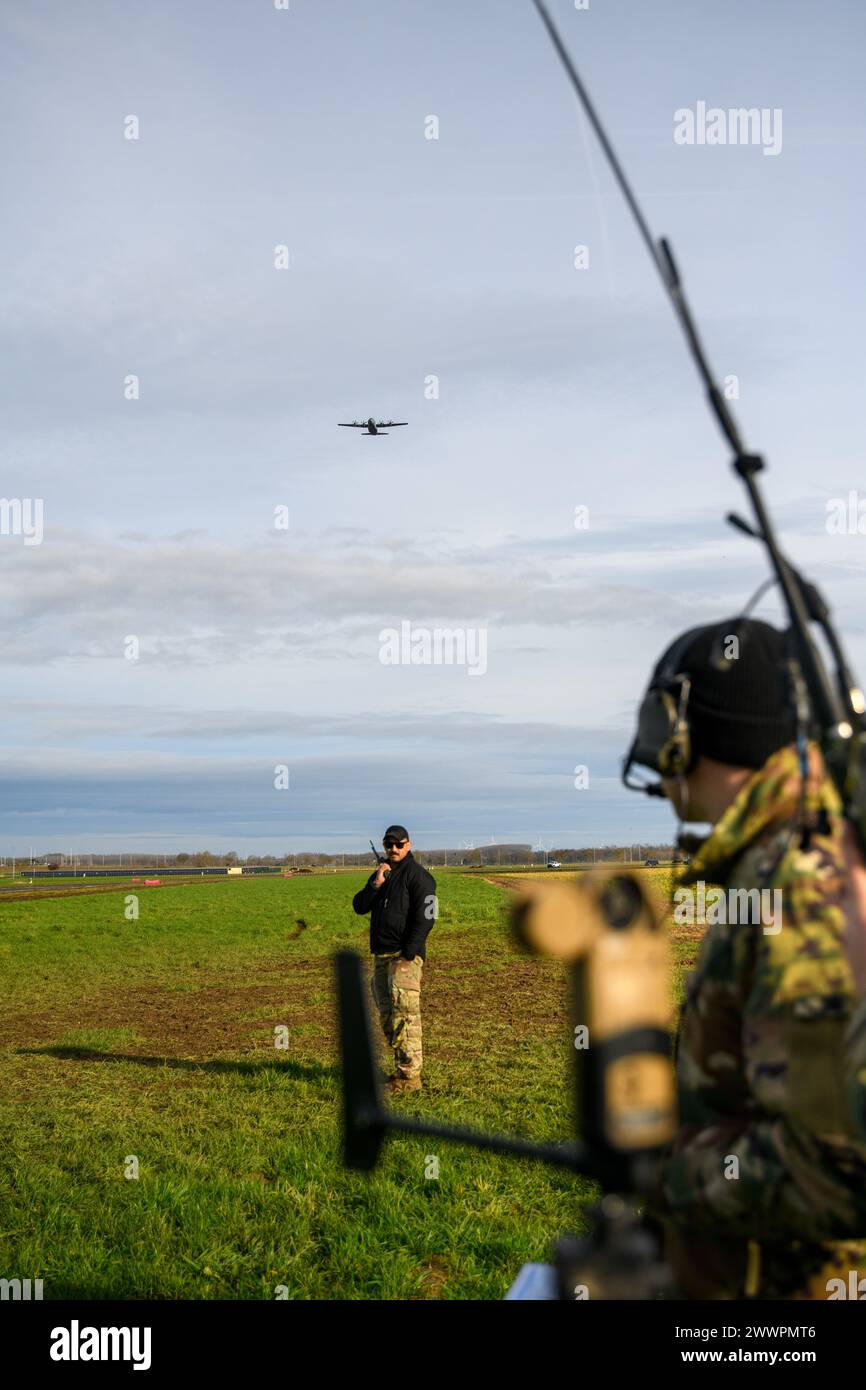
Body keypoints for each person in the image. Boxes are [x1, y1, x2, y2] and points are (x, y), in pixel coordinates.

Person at [623, 616, 866, 1299]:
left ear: (674, 728)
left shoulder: (802, 879)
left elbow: (837, 1163)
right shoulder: (787, 856)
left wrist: (661, 1172)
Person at [352, 825, 437, 1096]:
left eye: (399, 844)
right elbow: (359, 906)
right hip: (381, 955)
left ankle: (410, 1077)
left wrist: (409, 954)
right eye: (389, 845)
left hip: (404, 957)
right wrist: (377, 883)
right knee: (388, 1016)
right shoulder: (382, 874)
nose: (393, 849)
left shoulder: (420, 877)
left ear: (409, 845)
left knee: (406, 1016)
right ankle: (401, 1068)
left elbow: (427, 917)